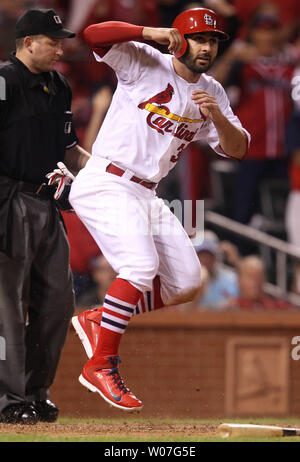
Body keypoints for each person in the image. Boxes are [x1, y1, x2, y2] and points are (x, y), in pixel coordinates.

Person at [69, 7, 250, 411]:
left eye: (214, 41)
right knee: (138, 267)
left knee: (187, 282)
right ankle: (100, 364)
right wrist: (146, 30)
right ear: (181, 38)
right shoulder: (145, 59)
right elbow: (93, 34)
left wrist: (218, 116)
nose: (207, 48)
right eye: (200, 38)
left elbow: (238, 150)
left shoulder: (214, 92)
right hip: (107, 180)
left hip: (146, 193)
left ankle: (100, 318)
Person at [0, 8, 91, 424]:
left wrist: (113, 177)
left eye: (61, 41)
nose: (60, 48)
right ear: (28, 42)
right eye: (52, 41)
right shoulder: (4, 81)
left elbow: (70, 149)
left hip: (48, 201)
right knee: (8, 306)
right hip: (8, 201)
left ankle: (36, 391)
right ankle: (8, 399)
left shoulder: (59, 85)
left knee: (57, 301)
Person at [222, 256, 297, 311]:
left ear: (264, 279)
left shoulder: (279, 307)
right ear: (239, 281)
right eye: (250, 276)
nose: (255, 281)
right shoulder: (229, 309)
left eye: (258, 276)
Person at [195, 231, 239, 309]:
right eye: (201, 255)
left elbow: (236, 303)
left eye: (209, 255)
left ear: (216, 256)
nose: (205, 259)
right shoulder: (185, 281)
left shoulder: (231, 279)